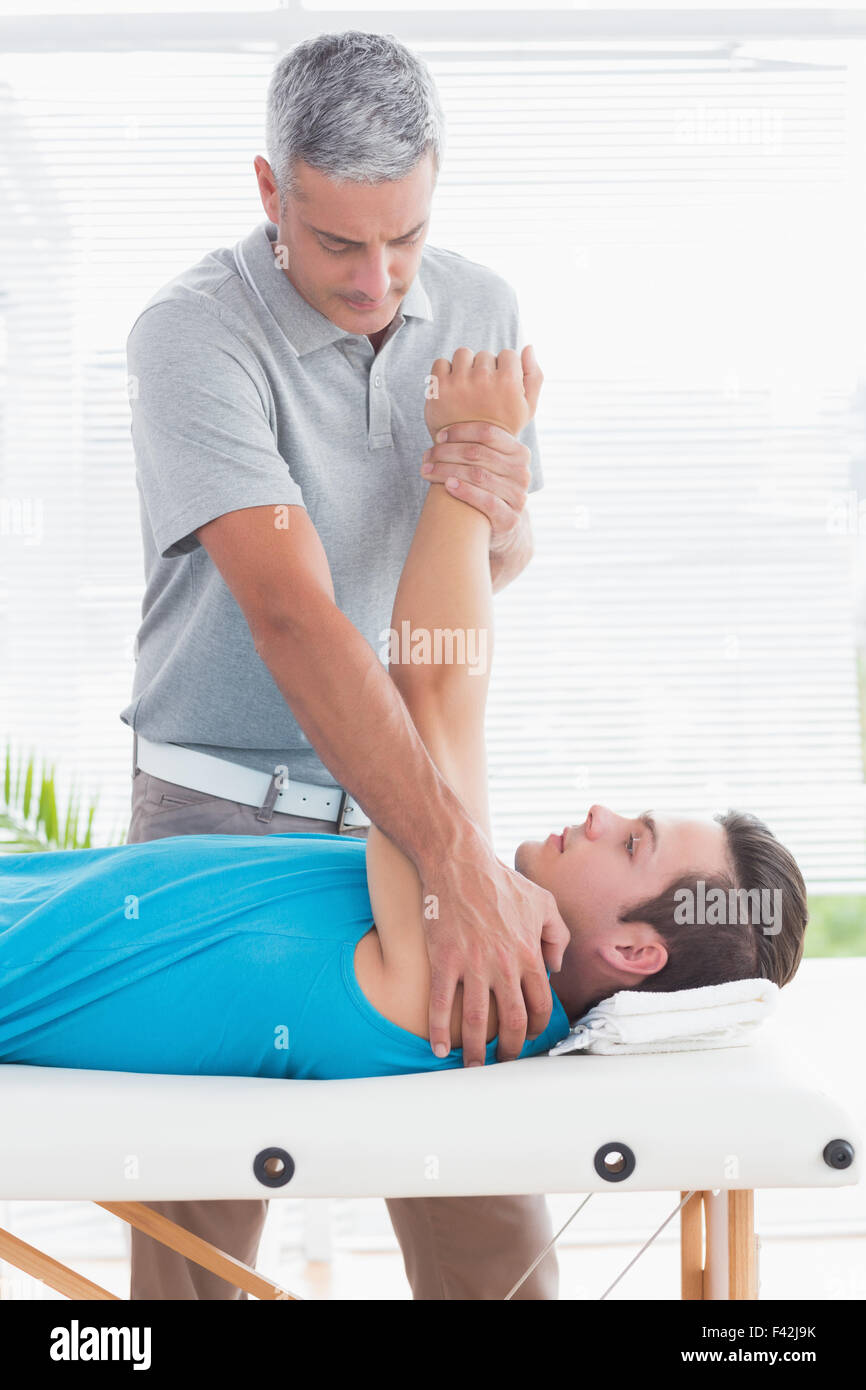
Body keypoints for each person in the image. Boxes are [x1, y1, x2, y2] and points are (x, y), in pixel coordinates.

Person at [0, 349, 808, 1281]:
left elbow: (427, 688)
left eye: (632, 843)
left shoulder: (467, 975)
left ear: (633, 952)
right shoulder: (477, 924)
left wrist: (473, 446)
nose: (598, 812)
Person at [116, 30, 571, 1299]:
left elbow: (496, 557)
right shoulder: (189, 336)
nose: (379, 280)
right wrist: (455, 861)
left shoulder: (476, 306)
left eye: (406, 237)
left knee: (485, 1209)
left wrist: (495, 503)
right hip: (218, 812)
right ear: (270, 192)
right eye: (338, 245)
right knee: (198, 1236)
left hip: (411, 790)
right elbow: (295, 621)